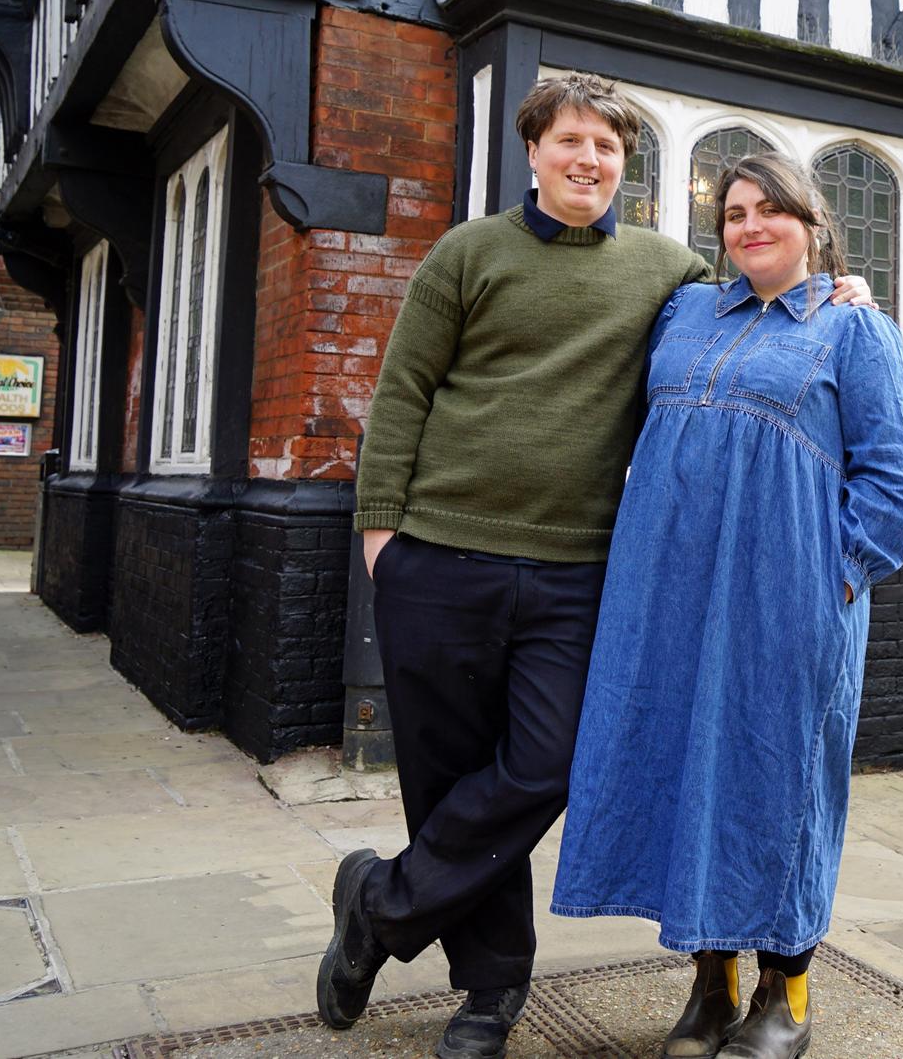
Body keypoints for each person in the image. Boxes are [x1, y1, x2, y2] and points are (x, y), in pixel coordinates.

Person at [315, 74, 871, 1059]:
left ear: (625, 163)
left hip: (579, 571)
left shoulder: (664, 273)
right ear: (533, 150)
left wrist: (841, 287)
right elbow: (402, 390)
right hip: (440, 553)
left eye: (607, 147)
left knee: (547, 763)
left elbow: (765, 309)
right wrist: (380, 534)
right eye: (569, 140)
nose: (588, 159)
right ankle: (489, 991)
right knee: (447, 778)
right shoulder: (466, 253)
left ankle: (381, 904)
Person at [550, 151, 903, 1059]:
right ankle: (710, 987)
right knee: (685, 768)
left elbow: (891, 480)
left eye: (773, 210)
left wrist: (832, 580)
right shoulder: (683, 308)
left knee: (779, 779)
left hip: (786, 600)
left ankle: (785, 994)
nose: (752, 226)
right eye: (735, 213)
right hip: (669, 592)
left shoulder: (853, 330)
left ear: (814, 223)